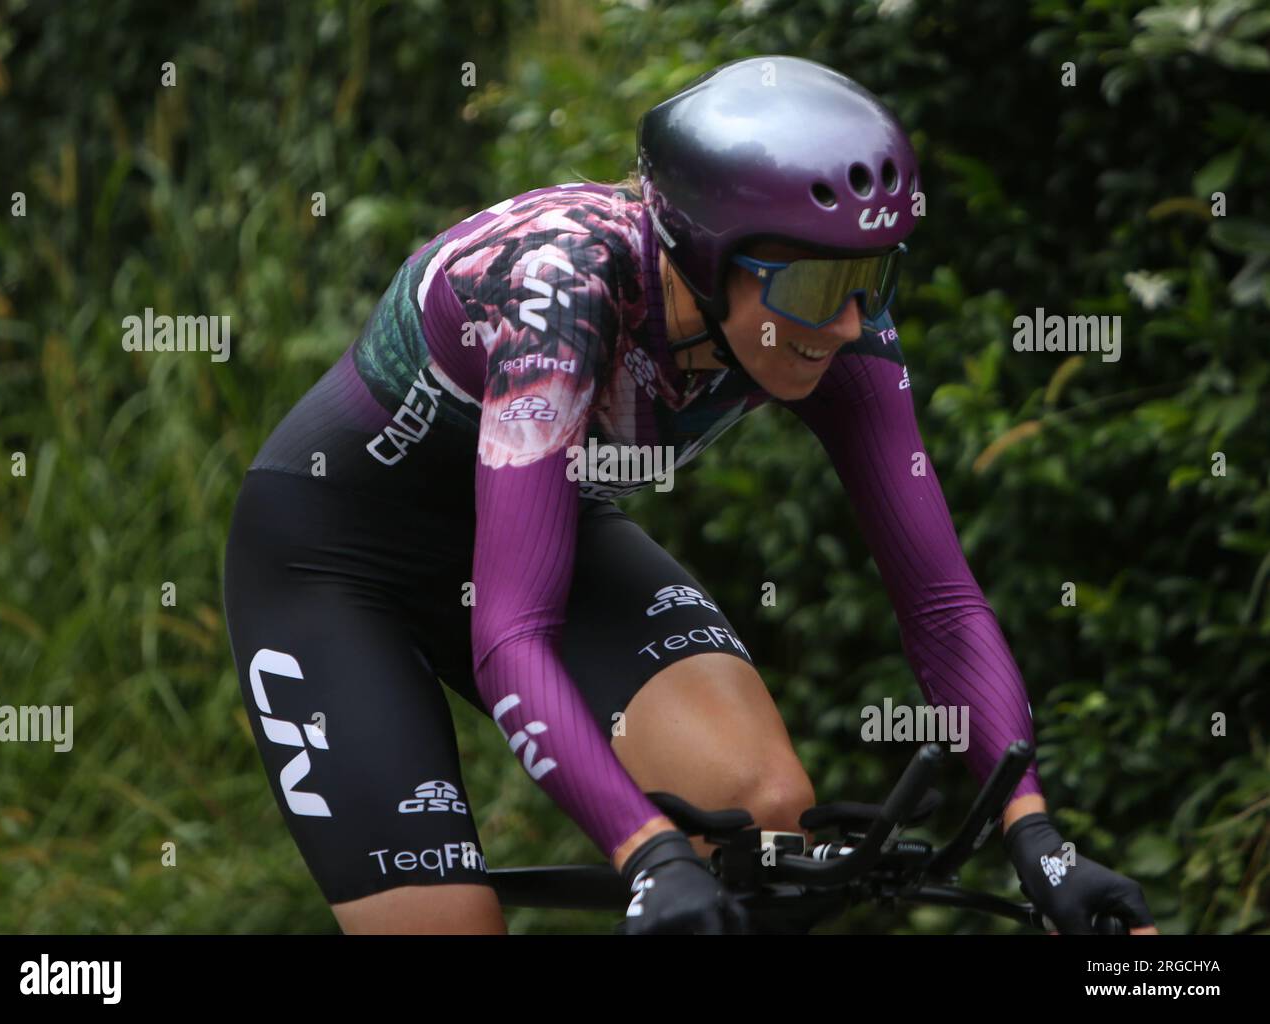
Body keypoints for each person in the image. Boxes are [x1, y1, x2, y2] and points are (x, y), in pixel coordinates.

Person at [223, 54, 1154, 935]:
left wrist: (1037, 840)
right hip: (328, 563)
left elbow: (942, 601)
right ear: (705, 259)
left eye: (870, 276)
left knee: (762, 817)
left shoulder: (824, 318)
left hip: (540, 521)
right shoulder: (565, 296)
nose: (847, 322)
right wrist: (649, 855)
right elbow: (511, 631)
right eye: (818, 283)